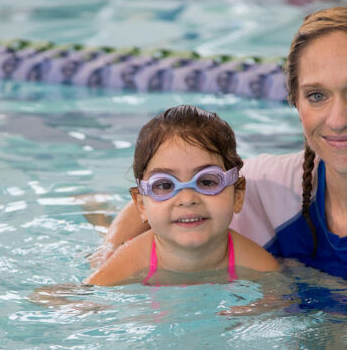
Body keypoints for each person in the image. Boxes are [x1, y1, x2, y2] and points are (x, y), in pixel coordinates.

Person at [98, 6, 347, 280]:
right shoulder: (265, 187)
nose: (339, 119)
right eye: (317, 95)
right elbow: (162, 197)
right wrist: (108, 251)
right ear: (295, 103)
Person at [85, 104, 278, 286]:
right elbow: (82, 301)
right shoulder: (132, 259)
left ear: (237, 195)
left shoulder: (257, 264)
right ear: (141, 205)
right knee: (103, 249)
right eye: (165, 184)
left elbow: (278, 307)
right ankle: (96, 211)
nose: (187, 199)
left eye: (207, 181)